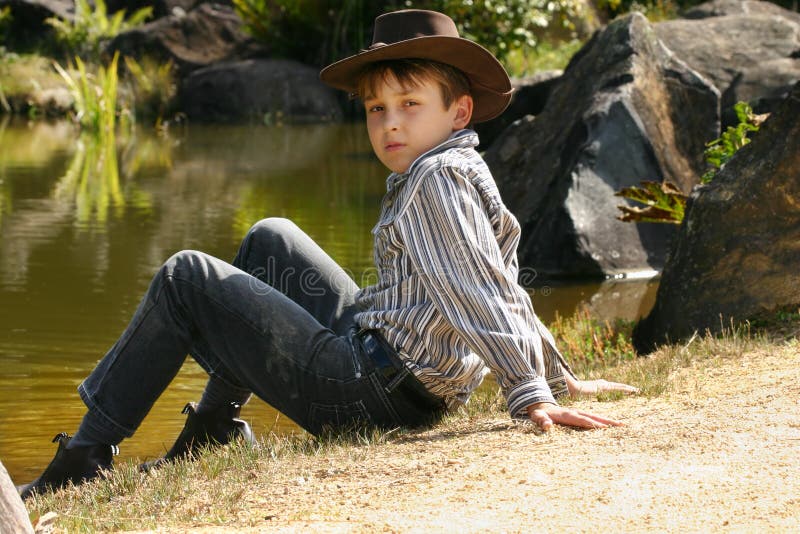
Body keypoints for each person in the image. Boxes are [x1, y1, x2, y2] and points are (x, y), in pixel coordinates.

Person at [18, 9, 637, 498]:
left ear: (460, 110)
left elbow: (474, 287)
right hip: (394, 372)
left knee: (187, 275)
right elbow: (500, 278)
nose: (389, 125)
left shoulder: (433, 180)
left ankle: (85, 455)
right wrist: (556, 374)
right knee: (271, 238)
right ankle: (211, 433)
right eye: (376, 109)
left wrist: (531, 392)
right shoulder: (460, 165)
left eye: (409, 106)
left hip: (371, 394)